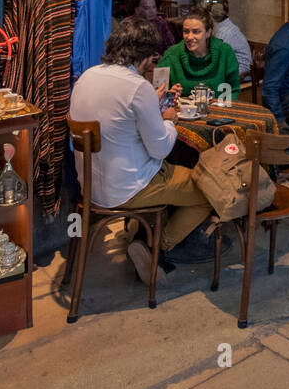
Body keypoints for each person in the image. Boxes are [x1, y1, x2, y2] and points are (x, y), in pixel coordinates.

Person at [68, 19, 220, 274]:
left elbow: (117, 118)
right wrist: (168, 120)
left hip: (89, 185)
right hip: (129, 188)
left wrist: (153, 102)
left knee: (179, 177)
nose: (153, 63)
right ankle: (157, 248)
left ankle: (142, 235)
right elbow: (161, 150)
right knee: (209, 188)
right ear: (144, 55)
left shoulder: (87, 76)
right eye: (152, 57)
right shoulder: (137, 86)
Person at [158, 6, 241, 100]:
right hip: (182, 112)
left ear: (208, 33)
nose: (189, 37)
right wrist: (169, 94)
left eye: (196, 32)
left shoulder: (225, 52)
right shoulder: (170, 55)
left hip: (219, 111)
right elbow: (159, 95)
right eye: (186, 31)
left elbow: (233, 91)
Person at [209, 1, 252, 73]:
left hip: (240, 71)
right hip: (239, 67)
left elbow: (217, 58)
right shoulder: (227, 25)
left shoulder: (223, 32)